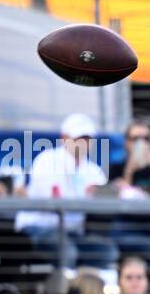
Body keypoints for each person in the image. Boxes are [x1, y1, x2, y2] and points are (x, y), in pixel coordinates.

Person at [15, 113, 117, 270]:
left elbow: (105, 201)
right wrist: (88, 196)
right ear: (64, 138)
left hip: (71, 232)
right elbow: (54, 199)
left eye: (87, 139)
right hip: (39, 228)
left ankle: (92, 292)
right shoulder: (46, 160)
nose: (83, 143)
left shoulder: (93, 170)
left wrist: (105, 193)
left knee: (107, 252)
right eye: (78, 138)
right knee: (68, 252)